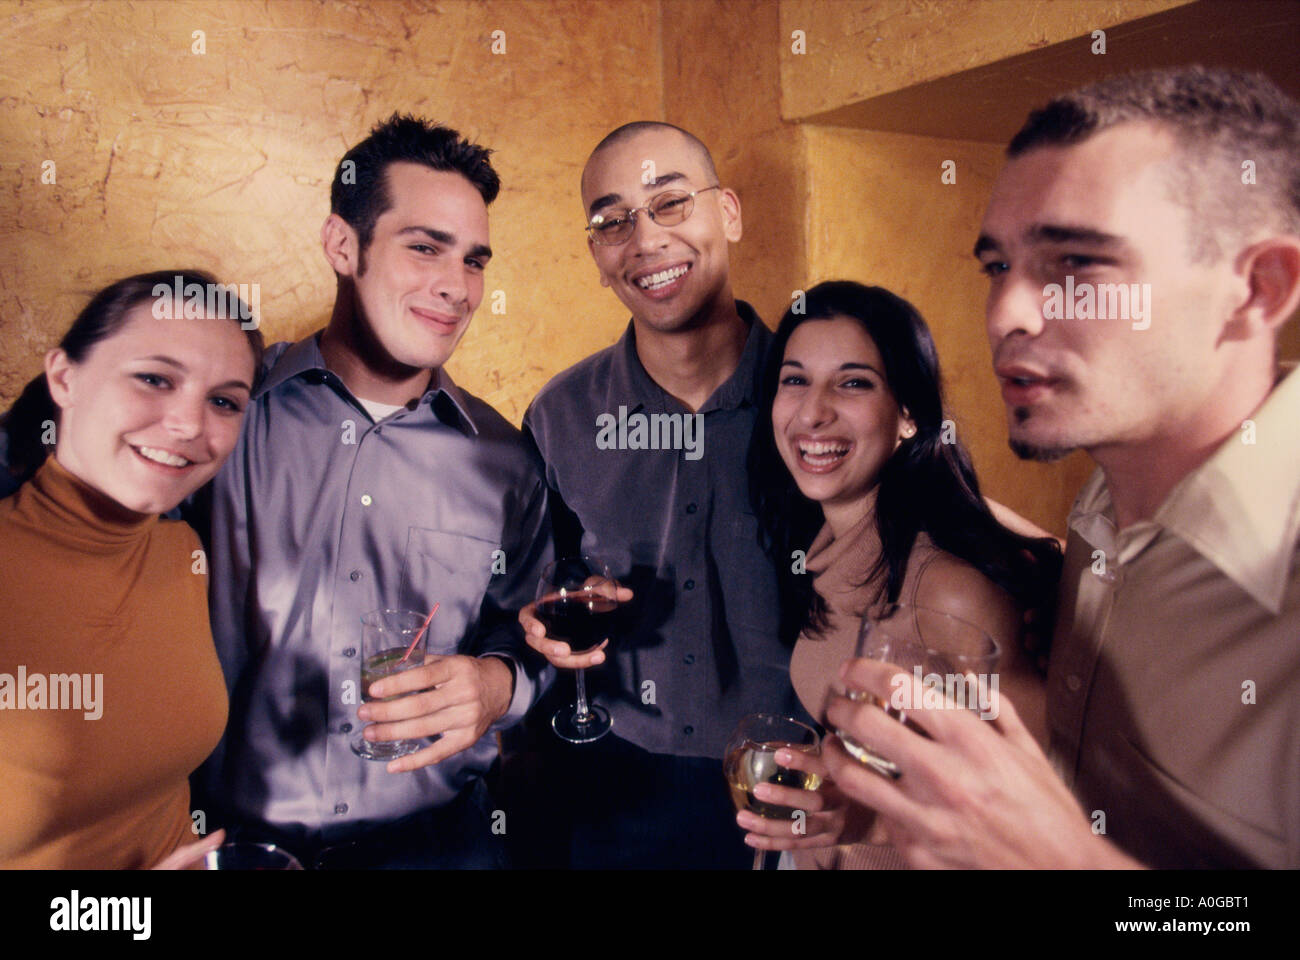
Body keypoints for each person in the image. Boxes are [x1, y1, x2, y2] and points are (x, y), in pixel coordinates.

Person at [823, 66, 1300, 869]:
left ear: (1256, 289)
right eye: (998, 267)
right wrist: (909, 817)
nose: (1006, 314)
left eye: (1077, 264)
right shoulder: (1100, 508)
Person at [191, 115, 552, 868]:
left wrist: (499, 683)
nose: (456, 287)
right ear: (343, 246)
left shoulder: (506, 459)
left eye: (474, 260)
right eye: (425, 247)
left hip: (439, 850)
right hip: (230, 845)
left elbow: (532, 629)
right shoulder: (221, 413)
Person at [509, 121, 805, 868]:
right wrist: (546, 615)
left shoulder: (818, 399)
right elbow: (545, 580)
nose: (644, 240)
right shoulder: (559, 415)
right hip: (615, 788)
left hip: (805, 785)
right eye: (612, 222)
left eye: (670, 203)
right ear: (596, 256)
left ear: (728, 214)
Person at [741, 280, 1060, 869]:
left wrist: (867, 816)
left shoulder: (948, 587)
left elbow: (1044, 802)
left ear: (909, 414)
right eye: (795, 379)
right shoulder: (825, 543)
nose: (813, 411)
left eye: (854, 382)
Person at [0, 270, 262, 868]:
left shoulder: (185, 552)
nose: (190, 425)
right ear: (65, 378)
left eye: (223, 401)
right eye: (153, 378)